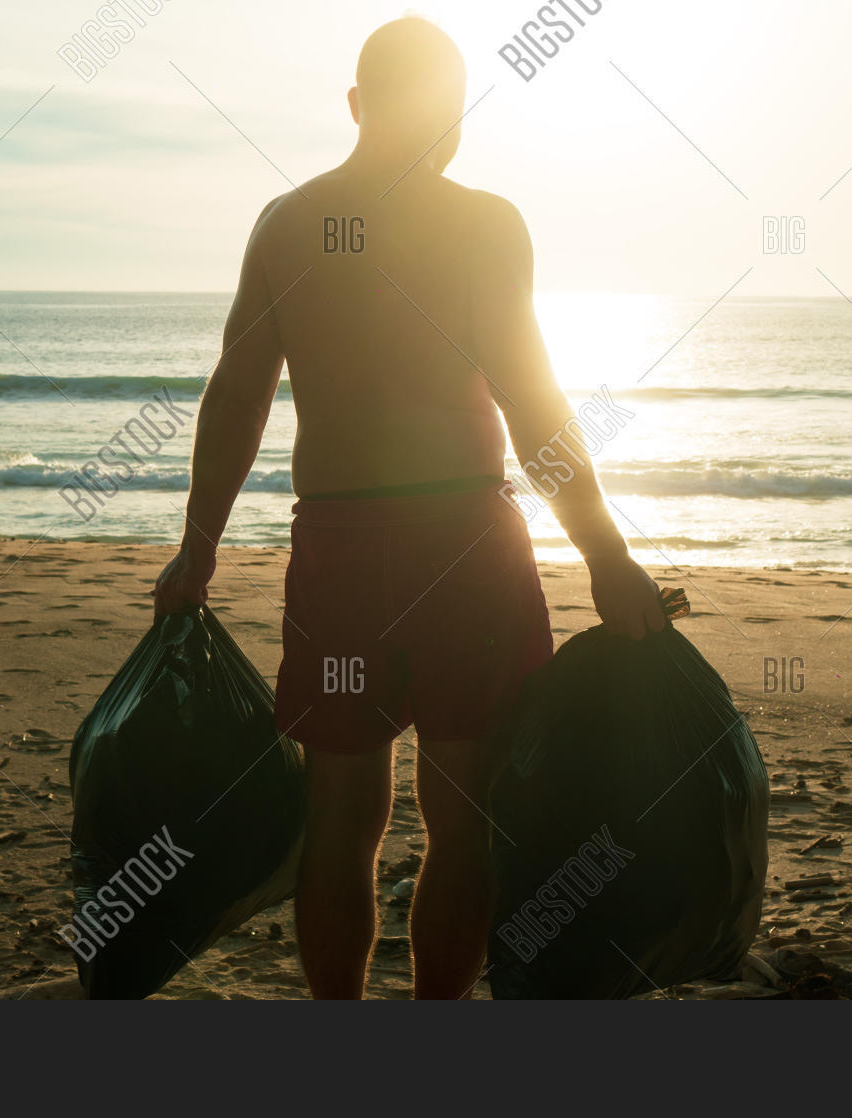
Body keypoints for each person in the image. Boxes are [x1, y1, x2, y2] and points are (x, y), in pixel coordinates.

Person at [153, 16, 664, 999]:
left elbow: (237, 395)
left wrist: (199, 550)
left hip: (341, 548)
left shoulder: (291, 223)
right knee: (465, 814)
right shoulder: (484, 225)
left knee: (341, 814)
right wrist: (603, 552)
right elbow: (532, 404)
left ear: (358, 106)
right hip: (464, 548)